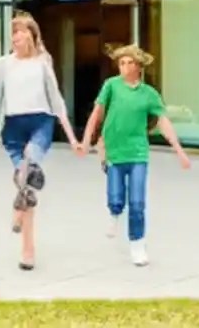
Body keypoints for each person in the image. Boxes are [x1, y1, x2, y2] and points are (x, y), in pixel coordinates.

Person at [0, 11, 82, 271]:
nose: (16, 37)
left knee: (28, 173)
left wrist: (73, 138)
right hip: (13, 129)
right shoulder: (3, 64)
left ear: (32, 35)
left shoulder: (44, 62)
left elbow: (56, 101)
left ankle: (27, 250)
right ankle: (22, 212)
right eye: (13, 33)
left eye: (21, 32)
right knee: (26, 185)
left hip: (40, 124)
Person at [77, 43, 191, 267]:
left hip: (138, 152)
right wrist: (85, 141)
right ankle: (114, 212)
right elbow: (96, 115)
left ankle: (137, 245)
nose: (125, 67)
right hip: (113, 150)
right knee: (116, 197)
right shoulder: (111, 86)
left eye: (129, 63)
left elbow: (163, 122)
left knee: (137, 202)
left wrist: (179, 151)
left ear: (139, 67)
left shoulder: (149, 94)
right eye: (121, 63)